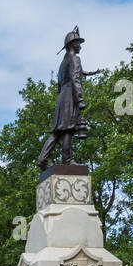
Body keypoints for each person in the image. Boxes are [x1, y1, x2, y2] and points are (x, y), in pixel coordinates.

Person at [37, 26, 101, 169]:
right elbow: (75, 79)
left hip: (61, 98)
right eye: (78, 43)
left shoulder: (63, 63)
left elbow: (63, 82)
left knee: (57, 132)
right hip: (70, 97)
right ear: (72, 44)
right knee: (69, 129)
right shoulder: (75, 59)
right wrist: (80, 99)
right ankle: (67, 160)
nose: (80, 47)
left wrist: (92, 72)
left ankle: (42, 158)